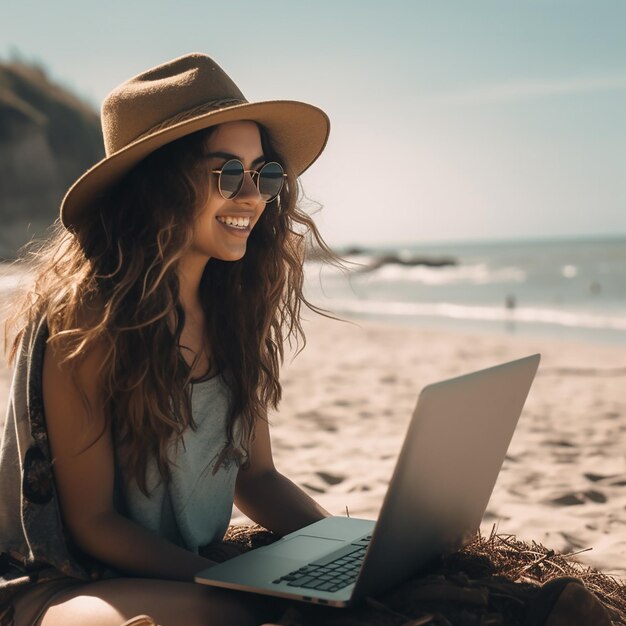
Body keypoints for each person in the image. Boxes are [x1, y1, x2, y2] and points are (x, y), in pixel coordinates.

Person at [0, 53, 338, 626]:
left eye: (265, 174)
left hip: (181, 570)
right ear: (158, 183)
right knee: (237, 618)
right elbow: (94, 524)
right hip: (63, 582)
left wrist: (345, 546)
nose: (253, 195)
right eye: (229, 172)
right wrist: (230, 582)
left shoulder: (234, 310)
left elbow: (256, 478)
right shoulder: (85, 322)